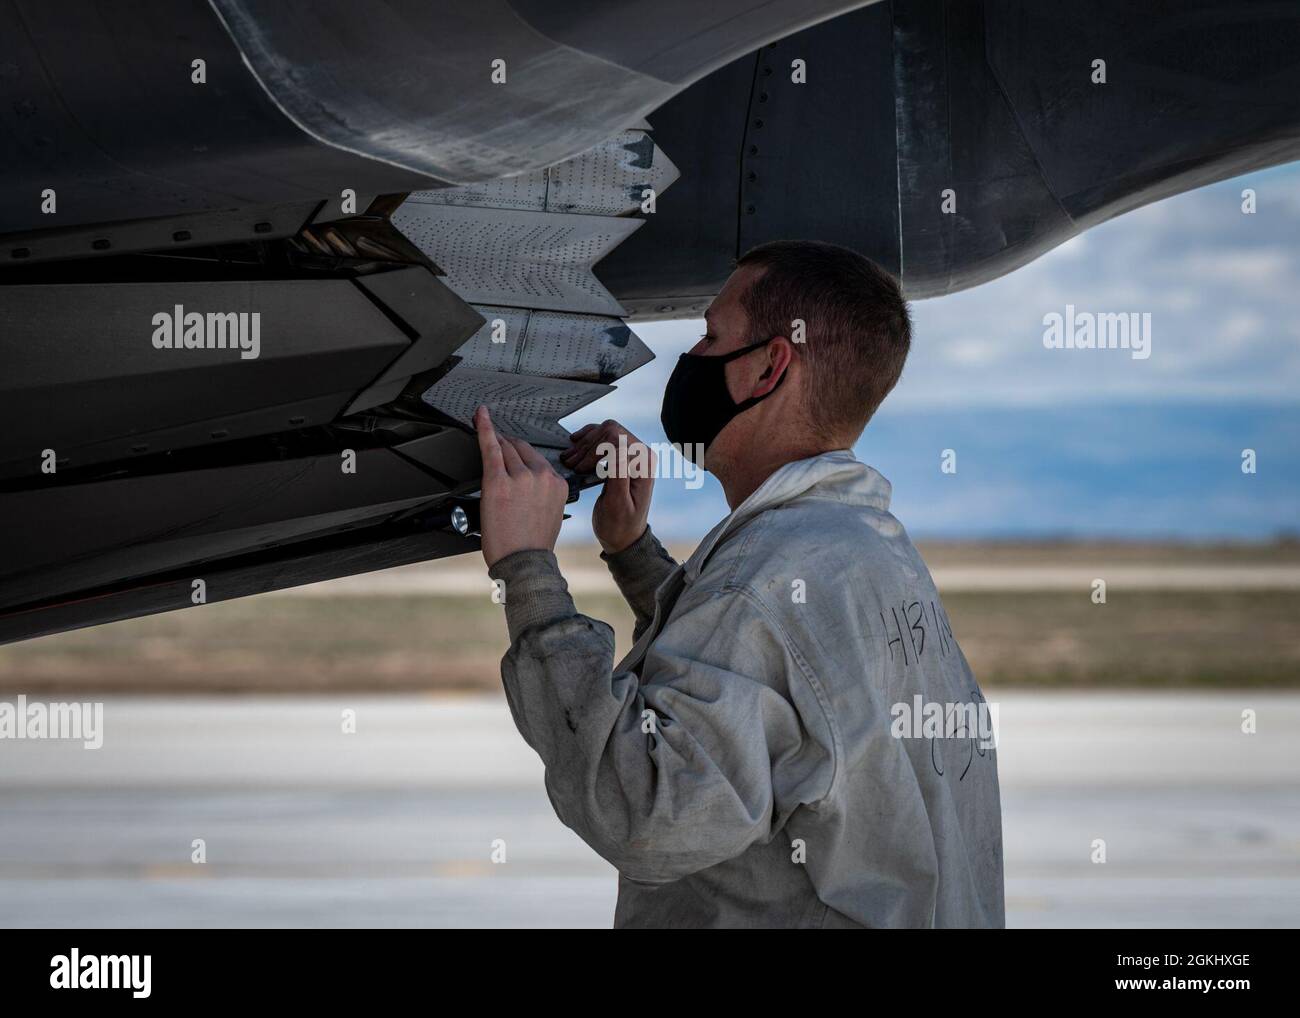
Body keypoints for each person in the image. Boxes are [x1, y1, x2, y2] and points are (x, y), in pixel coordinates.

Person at [473, 239, 1004, 928]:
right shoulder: (864, 549)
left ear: (768, 367)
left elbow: (643, 815)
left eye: (709, 335)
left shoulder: (766, 581)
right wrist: (634, 552)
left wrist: (527, 570)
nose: (690, 358)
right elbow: (783, 687)